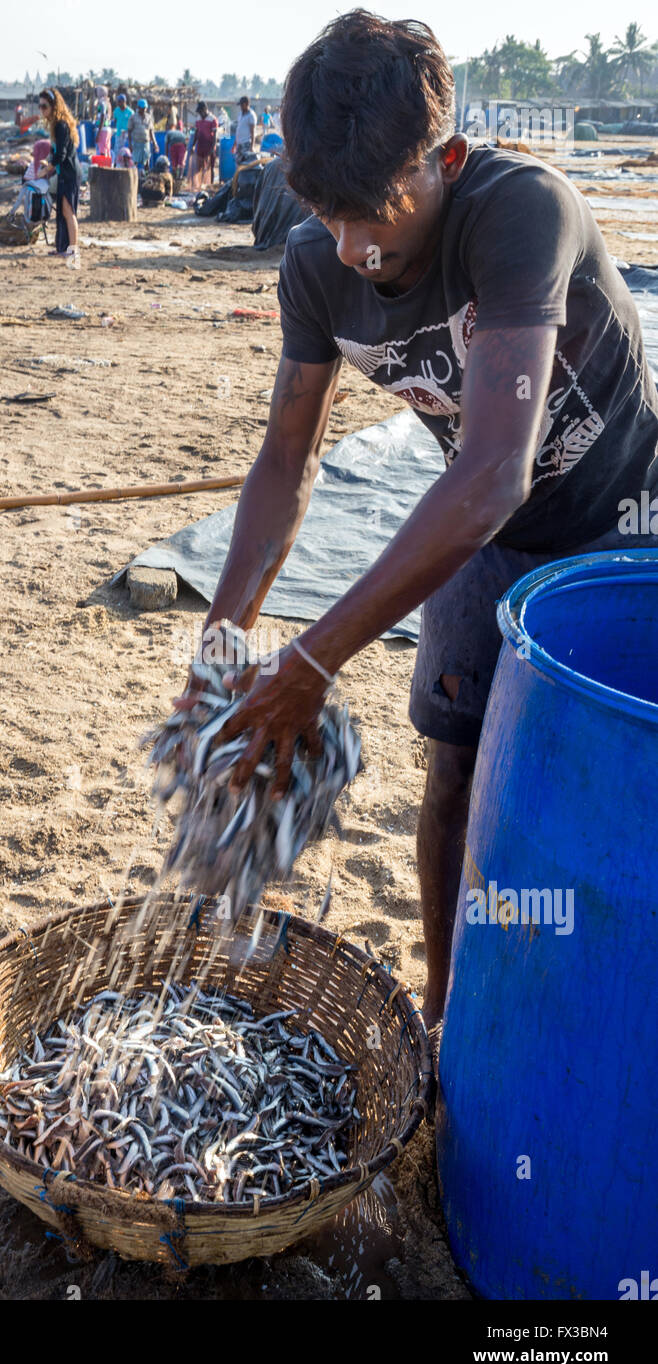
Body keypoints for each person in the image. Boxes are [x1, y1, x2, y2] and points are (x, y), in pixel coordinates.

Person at [177, 11, 658, 1052]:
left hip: (623, 532)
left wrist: (308, 659)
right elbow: (287, 459)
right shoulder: (314, 267)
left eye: (377, 211)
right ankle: (446, 1019)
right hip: (481, 536)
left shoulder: (518, 210)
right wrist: (222, 637)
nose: (356, 247)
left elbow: (492, 469)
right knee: (449, 768)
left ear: (440, 159)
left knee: (605, 797)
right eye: (328, 213)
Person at [36, 87, 80, 263]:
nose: (42, 110)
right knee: (61, 212)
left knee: (69, 212)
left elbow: (61, 155)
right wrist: (47, 163)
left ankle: (73, 251)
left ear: (54, 106)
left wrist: (46, 170)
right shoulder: (57, 126)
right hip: (63, 174)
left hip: (70, 174)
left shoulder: (61, 125)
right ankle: (62, 248)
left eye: (44, 106)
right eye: (40, 106)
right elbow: (56, 153)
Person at [185, 101, 218, 189]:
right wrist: (192, 145)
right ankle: (198, 186)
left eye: (200, 111)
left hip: (209, 146)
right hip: (200, 146)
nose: (200, 113)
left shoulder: (212, 119)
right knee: (198, 167)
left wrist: (212, 148)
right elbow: (196, 132)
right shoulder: (198, 118)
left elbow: (215, 135)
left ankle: (209, 186)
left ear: (204, 110)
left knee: (210, 167)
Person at [127, 97, 156, 174]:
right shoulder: (133, 117)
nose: (143, 110)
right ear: (138, 108)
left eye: (145, 108)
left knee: (147, 162)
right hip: (136, 143)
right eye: (142, 108)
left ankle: (146, 177)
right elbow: (129, 131)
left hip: (145, 144)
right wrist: (130, 144)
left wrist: (155, 143)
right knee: (134, 162)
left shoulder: (149, 117)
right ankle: (134, 178)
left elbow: (151, 131)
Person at [233, 95, 257, 165]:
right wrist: (235, 143)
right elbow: (239, 129)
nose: (240, 107)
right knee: (238, 164)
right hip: (239, 144)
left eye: (241, 105)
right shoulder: (240, 114)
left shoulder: (251, 115)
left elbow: (253, 132)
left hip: (246, 144)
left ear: (246, 104)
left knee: (245, 165)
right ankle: (238, 176)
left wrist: (252, 146)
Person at [111, 92, 133, 165]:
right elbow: (115, 120)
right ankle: (117, 165)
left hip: (127, 135)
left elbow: (133, 124)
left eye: (120, 102)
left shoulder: (130, 112)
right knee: (117, 151)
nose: (118, 104)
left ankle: (127, 165)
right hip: (119, 134)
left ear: (124, 101)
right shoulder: (116, 111)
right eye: (118, 102)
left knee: (126, 152)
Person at [94, 84, 112, 160]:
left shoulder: (102, 103)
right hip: (107, 129)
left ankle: (103, 168)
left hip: (103, 129)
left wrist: (98, 133)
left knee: (102, 152)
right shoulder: (107, 102)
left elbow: (102, 117)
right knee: (107, 150)